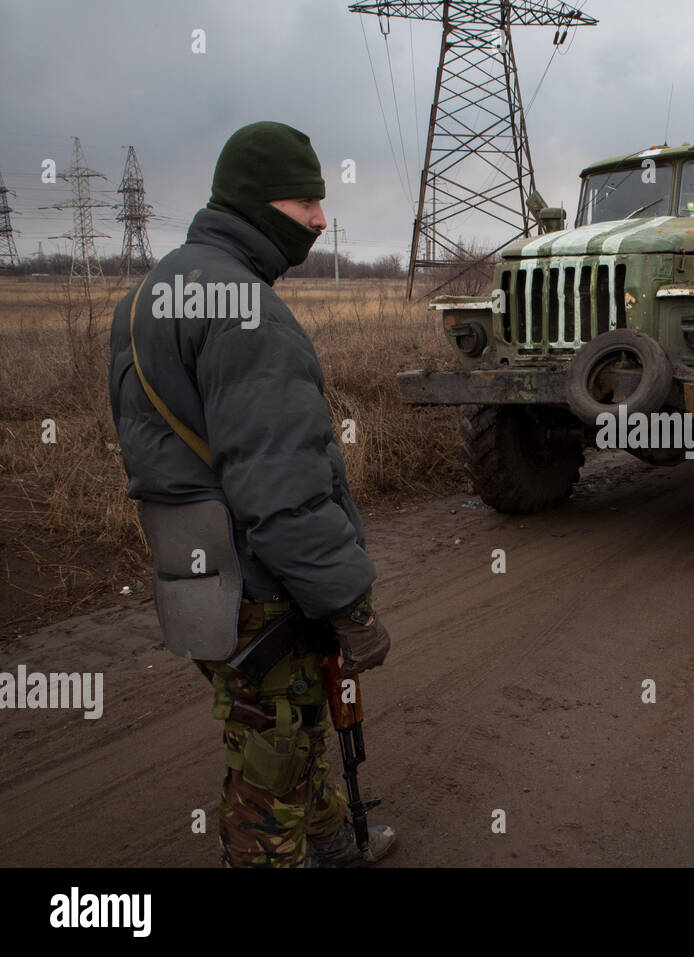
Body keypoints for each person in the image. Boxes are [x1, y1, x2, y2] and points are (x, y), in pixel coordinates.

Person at [108, 121, 396, 867]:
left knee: (281, 722)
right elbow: (285, 488)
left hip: (190, 568)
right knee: (269, 755)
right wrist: (350, 605)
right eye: (306, 201)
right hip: (258, 581)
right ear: (258, 202)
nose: (320, 219)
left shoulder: (149, 294)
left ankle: (332, 839)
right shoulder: (247, 310)